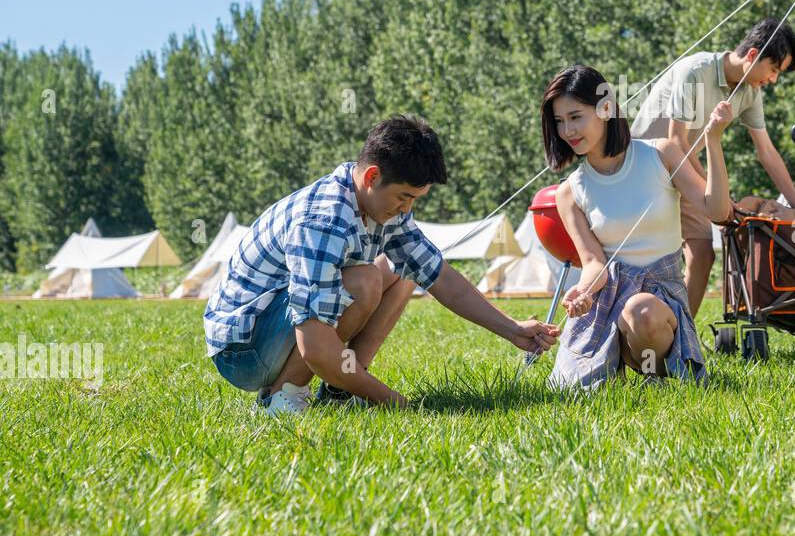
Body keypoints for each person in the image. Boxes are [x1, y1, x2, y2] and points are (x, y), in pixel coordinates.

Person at [203, 115, 559, 413]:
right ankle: (283, 398)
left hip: (270, 332)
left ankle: (341, 392)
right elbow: (315, 345)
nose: (406, 210)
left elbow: (440, 277)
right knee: (364, 282)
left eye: (414, 201)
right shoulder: (324, 220)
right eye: (403, 198)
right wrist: (397, 403)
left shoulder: (382, 208)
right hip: (242, 350)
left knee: (404, 273)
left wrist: (512, 329)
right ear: (372, 176)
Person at [542, 65, 733, 390]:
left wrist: (713, 141)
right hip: (608, 301)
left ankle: (657, 373)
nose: (567, 131)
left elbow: (718, 211)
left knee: (640, 309)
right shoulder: (570, 191)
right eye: (559, 122)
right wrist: (583, 293)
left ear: (605, 108)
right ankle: (621, 369)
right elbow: (593, 264)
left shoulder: (660, 154)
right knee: (573, 389)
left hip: (659, 302)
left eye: (575, 117)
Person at [630, 17, 795, 317]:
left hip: (683, 169)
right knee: (648, 258)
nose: (773, 80)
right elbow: (676, 141)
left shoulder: (750, 92)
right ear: (753, 55)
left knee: (701, 254)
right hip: (643, 168)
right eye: (774, 70)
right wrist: (720, 194)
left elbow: (767, 152)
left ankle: (681, 335)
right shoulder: (695, 71)